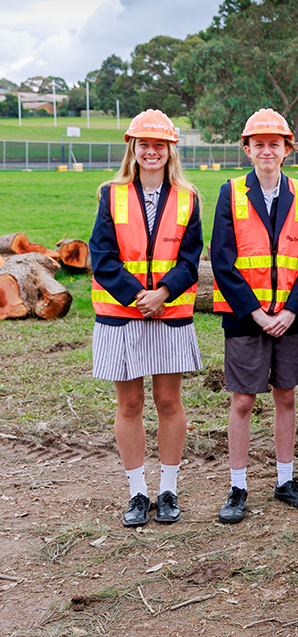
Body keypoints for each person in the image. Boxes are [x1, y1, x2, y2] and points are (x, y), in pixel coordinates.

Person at [89, 109, 202, 527]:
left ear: (170, 150)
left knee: (168, 402)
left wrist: (163, 294)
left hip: (169, 314)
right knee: (130, 403)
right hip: (122, 314)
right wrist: (138, 296)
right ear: (132, 148)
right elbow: (102, 256)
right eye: (144, 144)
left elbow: (190, 260)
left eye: (159, 144)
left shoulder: (188, 197)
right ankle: (137, 493)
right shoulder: (111, 193)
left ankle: (168, 490)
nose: (151, 151)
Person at [210, 109, 298, 524]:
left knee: (286, 396)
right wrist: (256, 313)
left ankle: (285, 481)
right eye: (259, 144)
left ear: (287, 149)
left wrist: (291, 310)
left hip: (289, 315)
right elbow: (222, 261)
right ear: (247, 149)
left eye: (275, 143)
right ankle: (238, 486)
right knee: (242, 400)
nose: (267, 150)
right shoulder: (231, 192)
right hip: (245, 315)